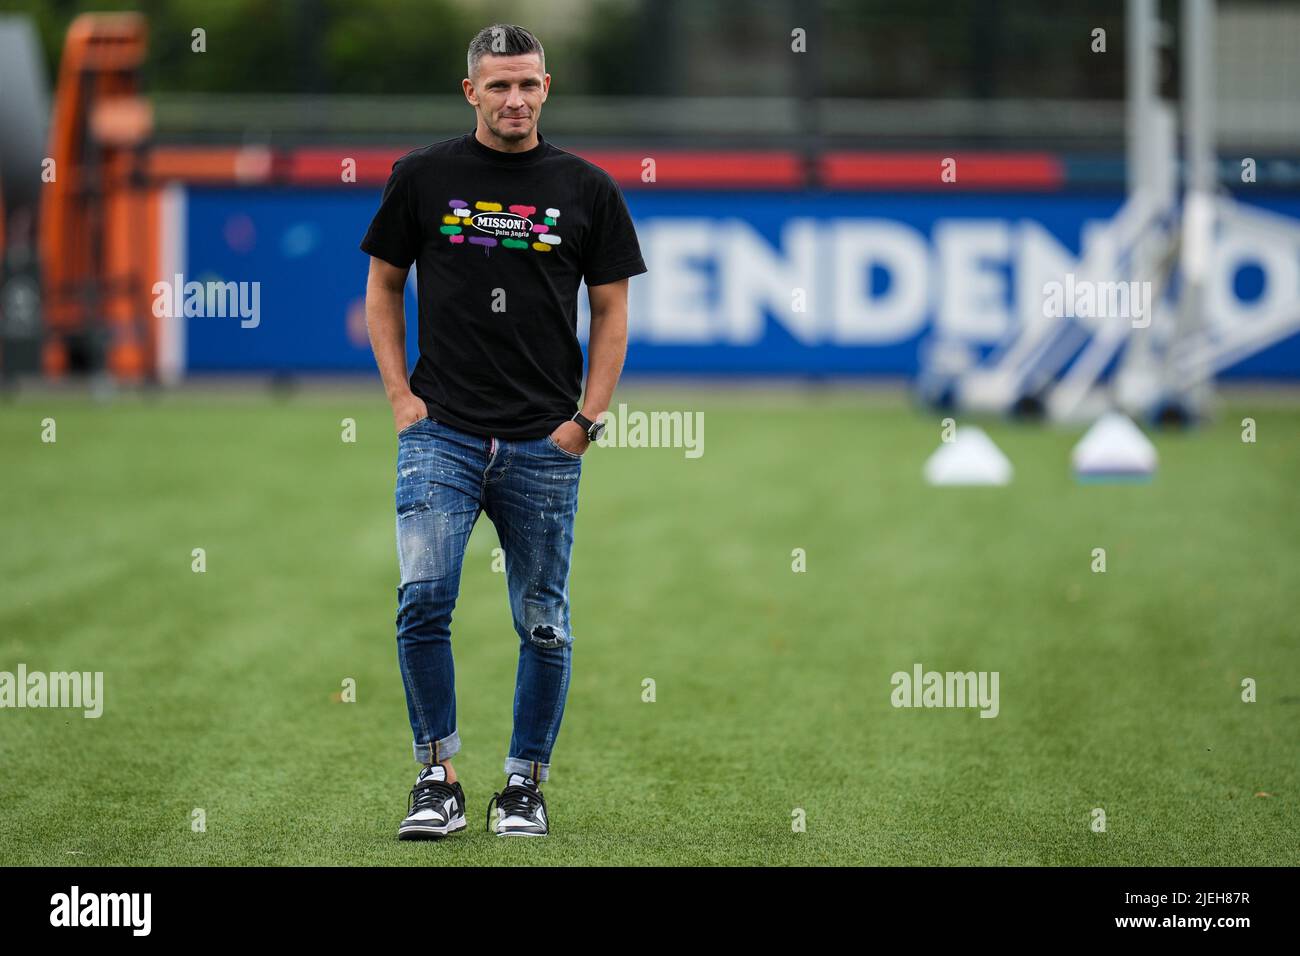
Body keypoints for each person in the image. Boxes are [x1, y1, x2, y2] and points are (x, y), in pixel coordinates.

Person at [359, 23, 646, 838]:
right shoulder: (422, 177)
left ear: (546, 89)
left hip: (543, 442)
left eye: (528, 84)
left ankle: (523, 785)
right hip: (440, 432)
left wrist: (587, 420)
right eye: (499, 86)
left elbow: (613, 308)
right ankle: (437, 779)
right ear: (471, 92)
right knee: (423, 602)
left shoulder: (586, 188)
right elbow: (383, 287)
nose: (514, 99)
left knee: (544, 620)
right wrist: (401, 403)